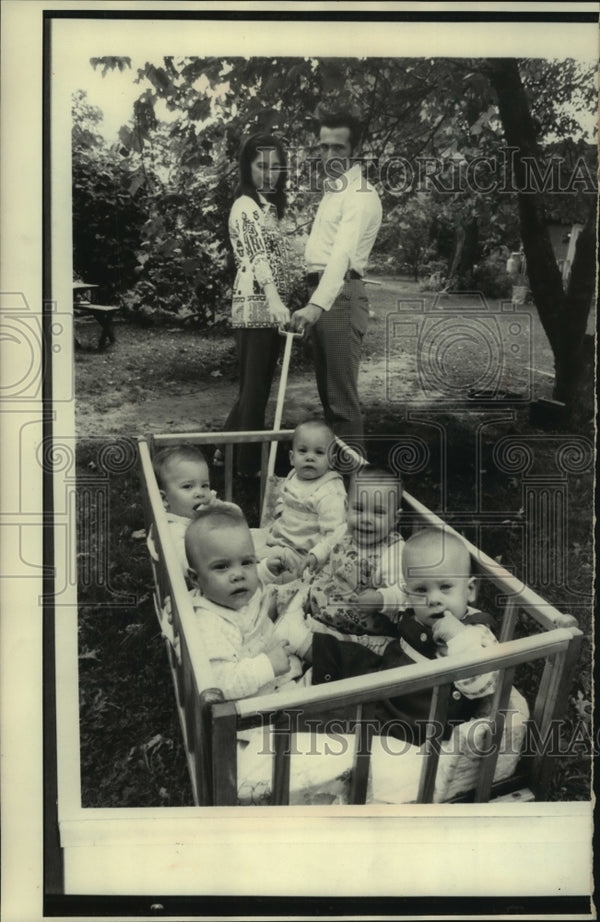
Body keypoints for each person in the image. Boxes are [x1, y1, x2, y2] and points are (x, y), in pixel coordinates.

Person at [310, 527, 500, 743]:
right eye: (421, 590)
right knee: (337, 652)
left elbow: (486, 683)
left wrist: (457, 636)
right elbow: (391, 601)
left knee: (339, 729)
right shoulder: (415, 613)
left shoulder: (476, 633)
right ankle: (301, 649)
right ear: (408, 595)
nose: (433, 599)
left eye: (445, 587)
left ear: (470, 590)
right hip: (386, 685)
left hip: (411, 725)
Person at [289, 110, 383, 450]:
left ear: (355, 150)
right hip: (326, 294)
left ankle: (352, 489)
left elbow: (341, 257)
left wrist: (315, 306)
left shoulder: (359, 194)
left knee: (342, 402)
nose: (329, 155)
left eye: (338, 148)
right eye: (324, 147)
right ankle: (332, 485)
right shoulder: (335, 192)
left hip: (341, 298)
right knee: (329, 399)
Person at [219, 132, 291, 475]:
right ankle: (246, 470)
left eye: (276, 167)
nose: (269, 173)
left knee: (255, 387)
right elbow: (256, 255)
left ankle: (224, 450)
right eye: (262, 165)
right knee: (255, 390)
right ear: (247, 167)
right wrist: (274, 298)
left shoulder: (268, 207)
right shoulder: (245, 205)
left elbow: (279, 258)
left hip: (272, 305)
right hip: (256, 303)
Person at [185, 501, 304, 701]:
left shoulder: (232, 594)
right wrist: (268, 665)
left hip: (279, 677)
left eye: (247, 562)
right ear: (196, 579)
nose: (238, 575)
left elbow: (256, 584)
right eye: (222, 567)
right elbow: (221, 684)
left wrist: (265, 569)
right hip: (253, 707)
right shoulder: (211, 624)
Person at [306, 466, 407, 640]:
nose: (365, 519)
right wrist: (316, 555)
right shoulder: (345, 530)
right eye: (359, 509)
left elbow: (404, 589)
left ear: (395, 519)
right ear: (346, 507)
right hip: (325, 594)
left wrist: (381, 598)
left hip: (355, 623)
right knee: (283, 594)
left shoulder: (393, 551)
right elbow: (328, 544)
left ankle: (317, 637)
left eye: (378, 513)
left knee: (329, 641)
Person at [254, 419, 347, 579]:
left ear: (331, 459)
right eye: (303, 451)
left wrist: (316, 556)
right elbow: (284, 498)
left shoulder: (330, 492)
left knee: (256, 563)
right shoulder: (293, 476)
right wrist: (280, 511)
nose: (310, 457)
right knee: (245, 537)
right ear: (292, 457)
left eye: (319, 452)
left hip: (301, 555)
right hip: (277, 538)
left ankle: (249, 581)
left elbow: (335, 534)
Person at [152, 443, 217, 578]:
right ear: (164, 499)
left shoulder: (190, 516)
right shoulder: (173, 530)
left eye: (205, 485)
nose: (200, 493)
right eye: (188, 486)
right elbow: (187, 565)